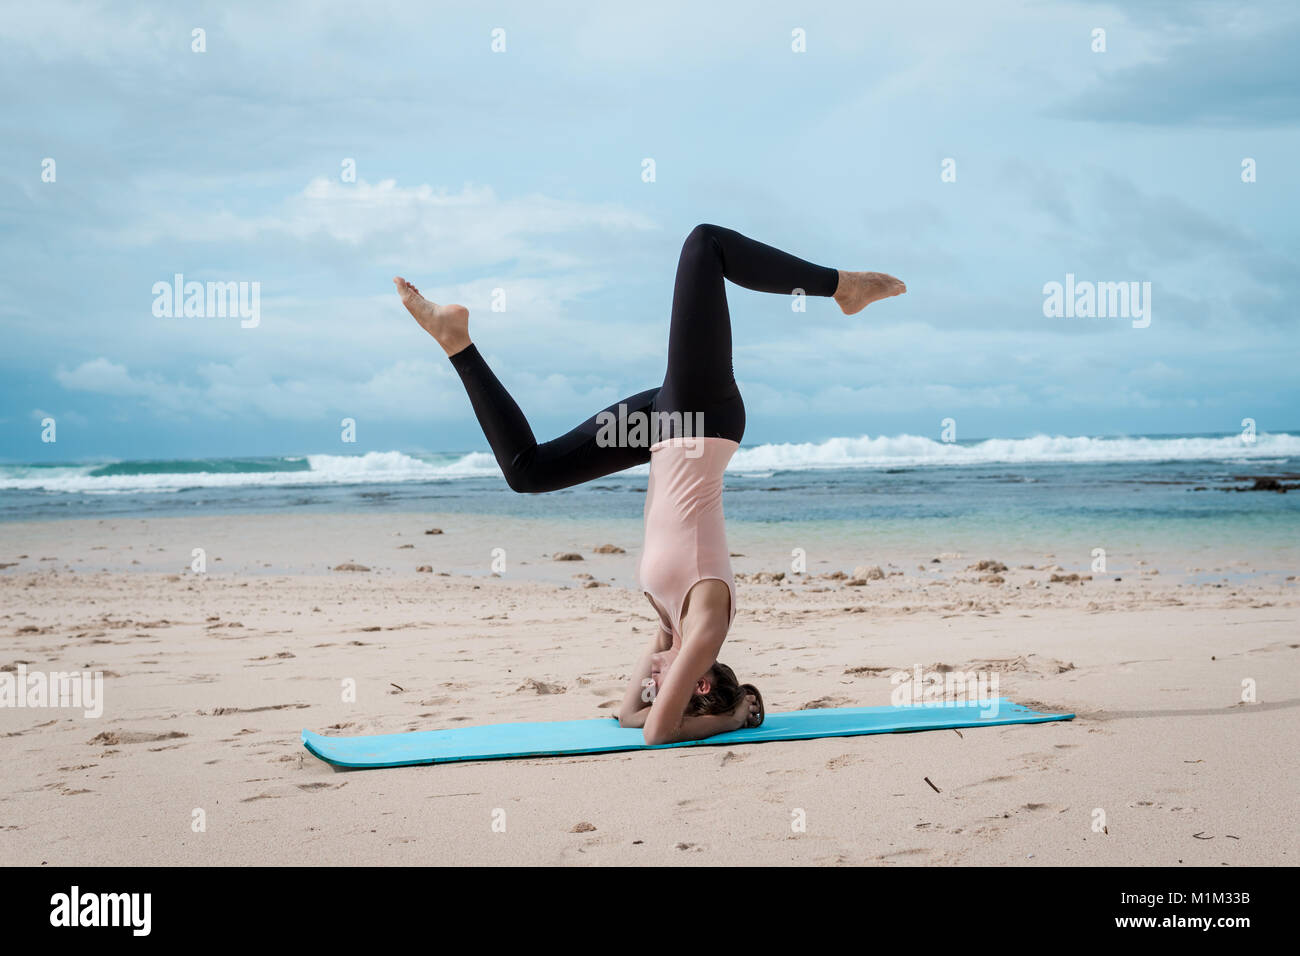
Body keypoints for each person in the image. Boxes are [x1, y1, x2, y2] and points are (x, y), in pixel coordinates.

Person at [395, 223, 905, 745]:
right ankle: (843, 287)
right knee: (705, 244)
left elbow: (629, 718)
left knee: (529, 471)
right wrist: (736, 716)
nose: (652, 683)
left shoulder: (673, 625)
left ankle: (456, 340)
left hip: (663, 428)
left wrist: (670, 689)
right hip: (700, 420)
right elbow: (657, 734)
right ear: (699, 683)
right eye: (666, 684)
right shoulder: (704, 627)